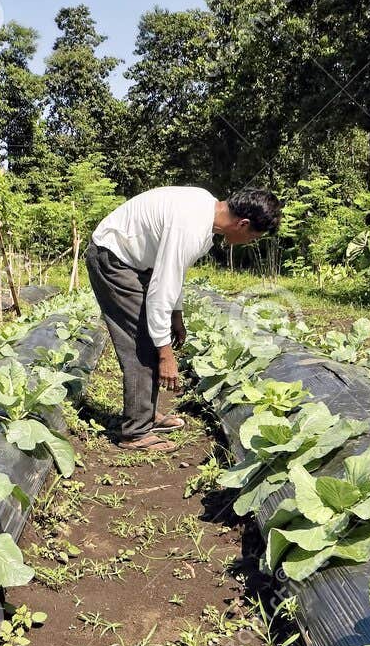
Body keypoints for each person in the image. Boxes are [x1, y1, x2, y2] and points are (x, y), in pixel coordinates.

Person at [84, 186, 281, 452]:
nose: (249, 242)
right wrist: (166, 354)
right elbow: (160, 291)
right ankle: (135, 433)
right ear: (242, 223)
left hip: (135, 261)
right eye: (253, 237)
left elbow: (175, 272)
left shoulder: (206, 213)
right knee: (141, 341)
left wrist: (176, 315)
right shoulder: (190, 226)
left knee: (149, 334)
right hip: (113, 258)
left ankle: (147, 414)